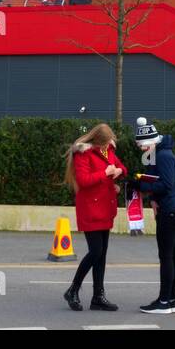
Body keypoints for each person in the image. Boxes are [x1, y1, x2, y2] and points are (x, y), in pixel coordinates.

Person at [131, 118, 175, 314]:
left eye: (143, 145)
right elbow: (164, 182)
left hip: (171, 213)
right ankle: (172, 301)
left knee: (167, 257)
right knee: (174, 257)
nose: (141, 149)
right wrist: (152, 196)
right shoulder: (163, 153)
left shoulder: (163, 156)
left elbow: (166, 184)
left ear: (152, 142)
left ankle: (164, 302)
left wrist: (142, 186)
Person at [63, 122, 125, 312]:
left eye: (109, 144)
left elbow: (121, 166)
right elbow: (83, 180)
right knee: (96, 252)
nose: (107, 147)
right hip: (90, 208)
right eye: (105, 145)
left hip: (105, 206)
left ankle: (98, 296)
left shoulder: (108, 150)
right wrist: (105, 173)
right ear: (97, 141)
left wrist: (119, 171)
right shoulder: (84, 153)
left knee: (102, 254)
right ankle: (73, 289)